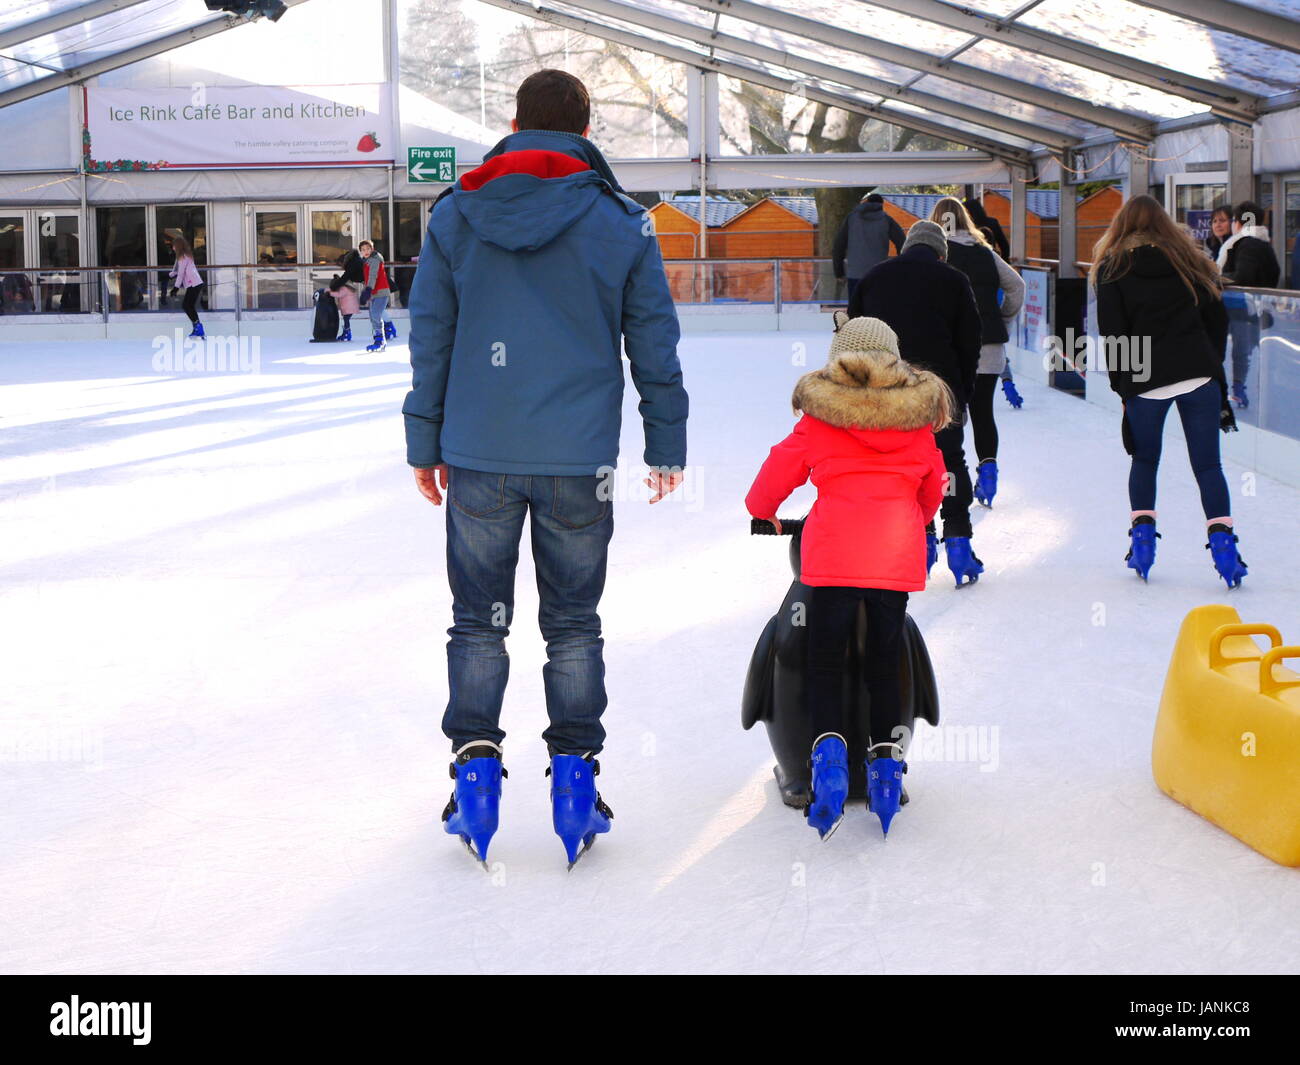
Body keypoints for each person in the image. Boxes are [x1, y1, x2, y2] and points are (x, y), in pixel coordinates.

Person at [403, 69, 689, 867]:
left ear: (516, 123)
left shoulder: (458, 214)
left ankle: (477, 773)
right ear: (586, 129)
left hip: (479, 453)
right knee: (572, 622)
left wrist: (424, 440)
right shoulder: (622, 223)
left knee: (477, 619)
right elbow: (654, 342)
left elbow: (431, 336)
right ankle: (572, 775)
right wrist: (666, 438)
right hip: (577, 459)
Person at [745, 314, 950, 839]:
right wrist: (913, 520)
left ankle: (829, 760)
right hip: (893, 559)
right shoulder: (917, 420)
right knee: (885, 661)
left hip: (833, 559)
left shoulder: (820, 417)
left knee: (823, 660)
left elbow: (777, 470)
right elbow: (932, 488)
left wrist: (763, 509)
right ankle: (885, 771)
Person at [1093, 194, 1245, 588]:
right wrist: (1212, 365)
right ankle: (1224, 547)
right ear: (1164, 224)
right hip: (1198, 373)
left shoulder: (1113, 267)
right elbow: (1217, 319)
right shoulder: (1190, 262)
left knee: (1145, 461)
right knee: (1209, 466)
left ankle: (1142, 543)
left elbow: (1113, 334)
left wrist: (1123, 387)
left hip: (1146, 379)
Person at [849, 219, 984, 587]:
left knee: (903, 468)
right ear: (941, 253)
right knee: (949, 462)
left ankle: (919, 541)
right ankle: (958, 539)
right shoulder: (954, 281)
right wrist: (961, 394)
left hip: (887, 393)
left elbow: (854, 338)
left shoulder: (874, 278)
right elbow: (971, 343)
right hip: (941, 394)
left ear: (905, 247)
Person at [929, 197, 1024, 508]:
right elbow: (1017, 286)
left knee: (951, 418)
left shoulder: (937, 255)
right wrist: (1003, 318)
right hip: (989, 344)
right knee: (983, 411)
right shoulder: (985, 253)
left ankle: (953, 483)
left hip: (951, 348)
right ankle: (989, 471)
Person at [1217, 201, 1280, 409]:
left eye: (1233, 220)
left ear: (1240, 222)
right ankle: (1235, 388)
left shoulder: (1248, 244)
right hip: (1244, 307)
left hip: (1240, 307)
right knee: (1239, 350)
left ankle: (1235, 389)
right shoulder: (1260, 243)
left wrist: (1215, 277)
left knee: (1237, 350)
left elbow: (1243, 277)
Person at [832, 193, 905, 304]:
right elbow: (902, 243)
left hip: (854, 274)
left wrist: (839, 272)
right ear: (881, 204)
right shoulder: (886, 220)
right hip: (878, 274)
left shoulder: (851, 218)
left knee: (855, 313)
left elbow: (838, 246)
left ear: (867, 202)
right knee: (878, 313)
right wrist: (899, 268)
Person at [357, 239, 396, 351]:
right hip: (375, 293)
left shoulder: (374, 260)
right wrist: (367, 291)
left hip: (381, 292)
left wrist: (368, 289)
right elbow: (367, 278)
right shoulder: (367, 261)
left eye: (368, 249)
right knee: (374, 316)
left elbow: (373, 276)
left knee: (375, 315)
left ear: (372, 249)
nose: (366, 251)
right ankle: (379, 340)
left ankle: (380, 341)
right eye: (363, 250)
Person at [168, 235, 204, 339]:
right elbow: (179, 270)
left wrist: (175, 288)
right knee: (189, 306)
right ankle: (197, 328)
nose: (173, 247)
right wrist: (172, 274)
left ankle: (198, 327)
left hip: (194, 284)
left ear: (178, 246)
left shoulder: (183, 257)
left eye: (174, 245)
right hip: (194, 283)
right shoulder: (183, 256)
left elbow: (181, 273)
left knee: (186, 306)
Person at [963, 196, 1010, 260]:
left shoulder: (968, 226)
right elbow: (1004, 245)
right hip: (991, 257)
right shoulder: (993, 222)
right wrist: (1004, 261)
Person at [327, 274, 359, 342]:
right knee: (346, 319)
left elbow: (339, 295)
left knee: (346, 319)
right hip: (349, 307)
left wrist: (330, 292)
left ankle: (347, 333)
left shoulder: (344, 288)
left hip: (349, 307)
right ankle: (346, 332)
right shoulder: (346, 287)